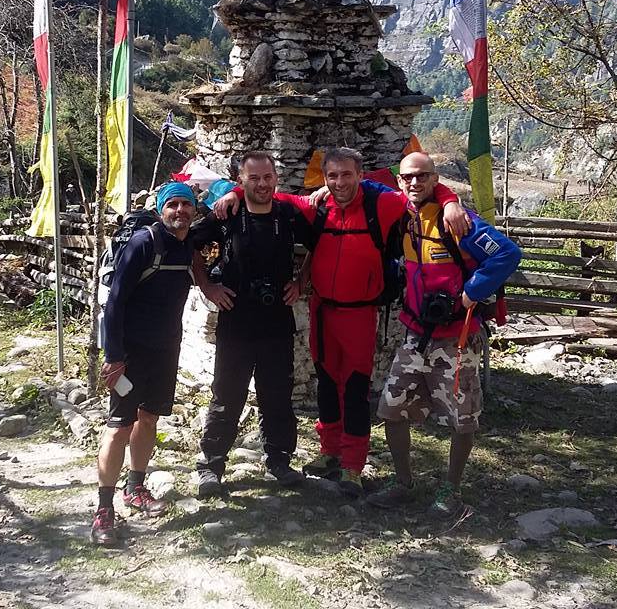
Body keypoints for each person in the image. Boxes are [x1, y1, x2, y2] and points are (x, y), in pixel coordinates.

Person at [215, 146, 469, 498]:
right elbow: (268, 192)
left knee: (354, 388)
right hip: (323, 309)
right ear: (324, 178)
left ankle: (353, 465)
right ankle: (329, 451)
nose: (339, 182)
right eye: (332, 176)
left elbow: (419, 189)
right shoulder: (316, 206)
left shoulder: (380, 204)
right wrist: (235, 191)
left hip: (359, 313)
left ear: (360, 175)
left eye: (346, 175)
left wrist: (451, 199)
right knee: (326, 384)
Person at [369, 151, 522, 515]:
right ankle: (403, 482)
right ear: (399, 180)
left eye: (422, 176)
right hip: (415, 334)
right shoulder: (403, 216)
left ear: (436, 179)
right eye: (407, 177)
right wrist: (325, 191)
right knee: (391, 409)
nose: (414, 183)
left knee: (462, 417)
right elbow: (361, 184)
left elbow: (507, 254)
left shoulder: (458, 221)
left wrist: (471, 293)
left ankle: (450, 490)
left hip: (457, 337)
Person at [191, 151, 312, 497]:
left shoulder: (288, 214)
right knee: (227, 396)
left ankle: (279, 461)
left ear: (276, 179)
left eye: (267, 177)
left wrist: (301, 281)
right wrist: (208, 286)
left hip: (276, 321)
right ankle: (211, 466)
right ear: (240, 181)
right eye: (254, 178)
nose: (261, 184)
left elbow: (321, 241)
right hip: (237, 321)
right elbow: (191, 246)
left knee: (278, 395)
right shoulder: (228, 213)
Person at [90, 182, 197, 546]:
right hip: (131, 352)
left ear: (194, 211)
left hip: (166, 349)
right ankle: (104, 508)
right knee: (120, 426)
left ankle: (135, 487)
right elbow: (115, 303)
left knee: (149, 418)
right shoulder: (142, 244)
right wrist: (113, 357)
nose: (179, 211)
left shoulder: (187, 243)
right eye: (173, 205)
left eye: (186, 205)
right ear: (161, 209)